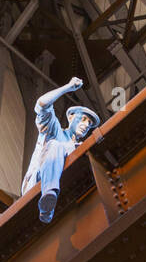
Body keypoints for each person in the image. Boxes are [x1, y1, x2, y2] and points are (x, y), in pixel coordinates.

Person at [21, 77, 100, 224]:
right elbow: (41, 105)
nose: (86, 125)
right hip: (36, 185)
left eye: (89, 124)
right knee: (55, 146)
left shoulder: (81, 149)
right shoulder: (55, 131)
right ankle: (49, 197)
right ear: (70, 118)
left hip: (66, 190)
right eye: (83, 119)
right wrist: (68, 87)